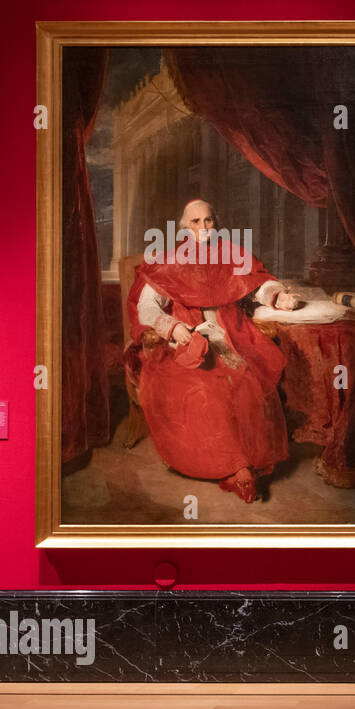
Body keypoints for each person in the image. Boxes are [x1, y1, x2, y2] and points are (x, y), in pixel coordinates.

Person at [125, 199, 301, 503]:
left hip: (231, 336)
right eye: (195, 222)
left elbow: (257, 285)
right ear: (183, 226)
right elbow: (146, 307)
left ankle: (246, 462)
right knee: (203, 390)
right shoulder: (170, 260)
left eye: (208, 221)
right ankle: (233, 469)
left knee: (248, 383)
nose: (203, 228)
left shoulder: (231, 254)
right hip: (184, 340)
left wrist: (278, 296)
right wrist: (171, 327)